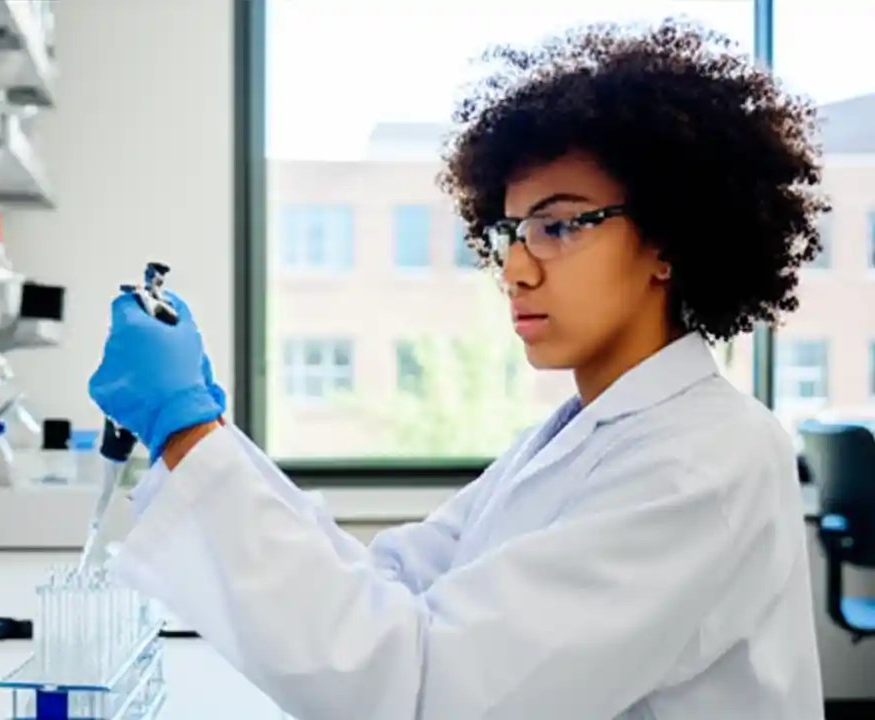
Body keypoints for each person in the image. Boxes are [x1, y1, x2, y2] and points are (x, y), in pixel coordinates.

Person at [89, 20, 828, 720]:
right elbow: (388, 581)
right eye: (508, 232)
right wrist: (212, 439)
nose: (513, 269)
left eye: (559, 225)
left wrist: (185, 430)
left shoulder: (703, 463)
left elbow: (428, 693)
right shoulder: (580, 436)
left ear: (669, 239)